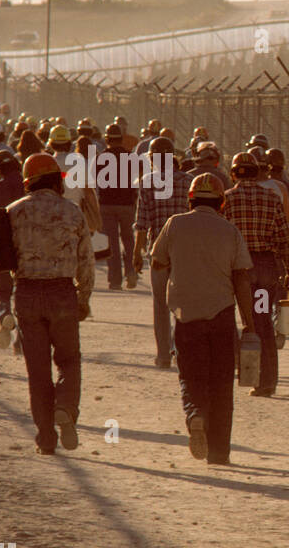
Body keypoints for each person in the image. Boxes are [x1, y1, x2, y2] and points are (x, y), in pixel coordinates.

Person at [0, 153, 94, 453]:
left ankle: (46, 439)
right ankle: (65, 406)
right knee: (69, 359)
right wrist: (84, 297)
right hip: (63, 294)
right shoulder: (73, 212)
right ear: (56, 180)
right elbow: (86, 262)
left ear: (28, 182)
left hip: (27, 295)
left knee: (37, 370)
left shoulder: (14, 211)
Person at [151, 173, 256, 466]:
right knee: (222, 384)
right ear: (222, 203)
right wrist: (249, 322)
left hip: (186, 318)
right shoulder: (230, 231)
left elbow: (158, 261)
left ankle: (195, 413)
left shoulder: (174, 224)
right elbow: (242, 279)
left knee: (191, 376)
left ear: (190, 199)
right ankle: (219, 453)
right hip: (222, 317)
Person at [223, 151, 289, 397]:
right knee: (263, 321)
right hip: (264, 268)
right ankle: (267, 382)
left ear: (233, 174)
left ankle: (241, 369)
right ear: (258, 172)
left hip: (235, 269)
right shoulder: (271, 197)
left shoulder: (227, 200)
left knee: (232, 318)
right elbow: (285, 239)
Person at [132, 136, 191, 368]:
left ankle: (164, 354)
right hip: (186, 249)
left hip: (158, 251)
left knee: (160, 304)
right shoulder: (189, 181)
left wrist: (136, 254)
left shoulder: (147, 182)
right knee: (183, 303)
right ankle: (181, 349)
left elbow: (142, 223)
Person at [0, 150, 26, 352]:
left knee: (2, 291)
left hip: (2, 247)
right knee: (25, 290)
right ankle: (22, 339)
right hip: (26, 245)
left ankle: (4, 314)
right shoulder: (27, 185)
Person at [98, 123, 138, 290]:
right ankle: (131, 272)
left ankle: (115, 280)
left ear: (107, 139)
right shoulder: (131, 157)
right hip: (127, 205)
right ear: (121, 139)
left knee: (112, 243)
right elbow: (136, 181)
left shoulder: (101, 158)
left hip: (106, 205)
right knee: (129, 241)